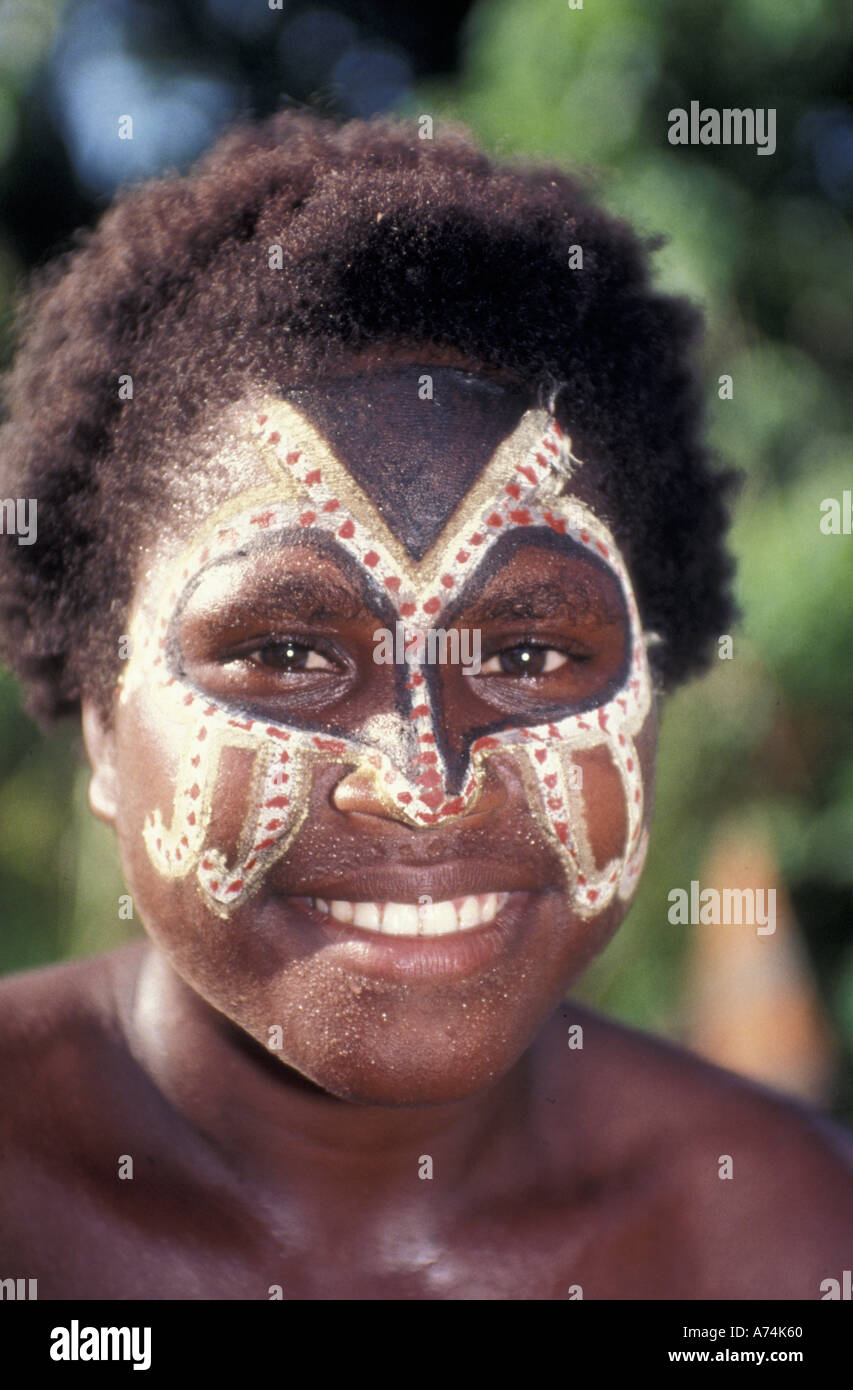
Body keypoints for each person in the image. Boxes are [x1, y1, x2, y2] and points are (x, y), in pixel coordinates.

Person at [0, 112, 850, 1300]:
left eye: (534, 651)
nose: (422, 777)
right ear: (101, 722)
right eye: (290, 651)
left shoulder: (781, 1242)